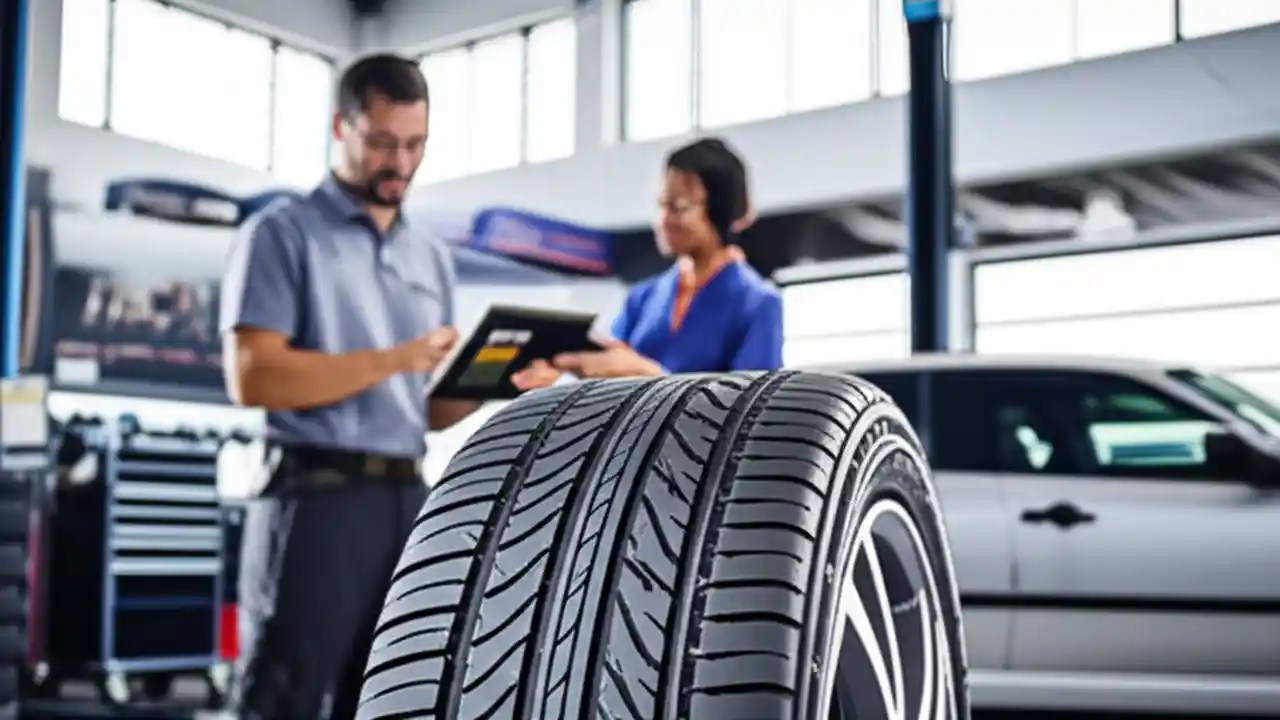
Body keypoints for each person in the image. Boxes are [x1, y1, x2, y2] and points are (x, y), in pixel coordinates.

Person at [217, 53, 478, 719]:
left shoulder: (431, 258)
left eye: (415, 145)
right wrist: (398, 356)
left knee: (391, 693)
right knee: (286, 695)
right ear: (343, 127)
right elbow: (254, 378)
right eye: (383, 143)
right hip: (316, 500)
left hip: (407, 497)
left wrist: (493, 381)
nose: (401, 163)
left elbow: (430, 411)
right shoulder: (281, 234)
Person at [512, 137, 783, 389]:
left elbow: (749, 413)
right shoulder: (641, 299)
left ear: (722, 211)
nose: (663, 220)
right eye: (661, 206)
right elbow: (608, 386)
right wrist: (562, 380)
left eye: (678, 207)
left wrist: (648, 375)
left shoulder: (758, 303)